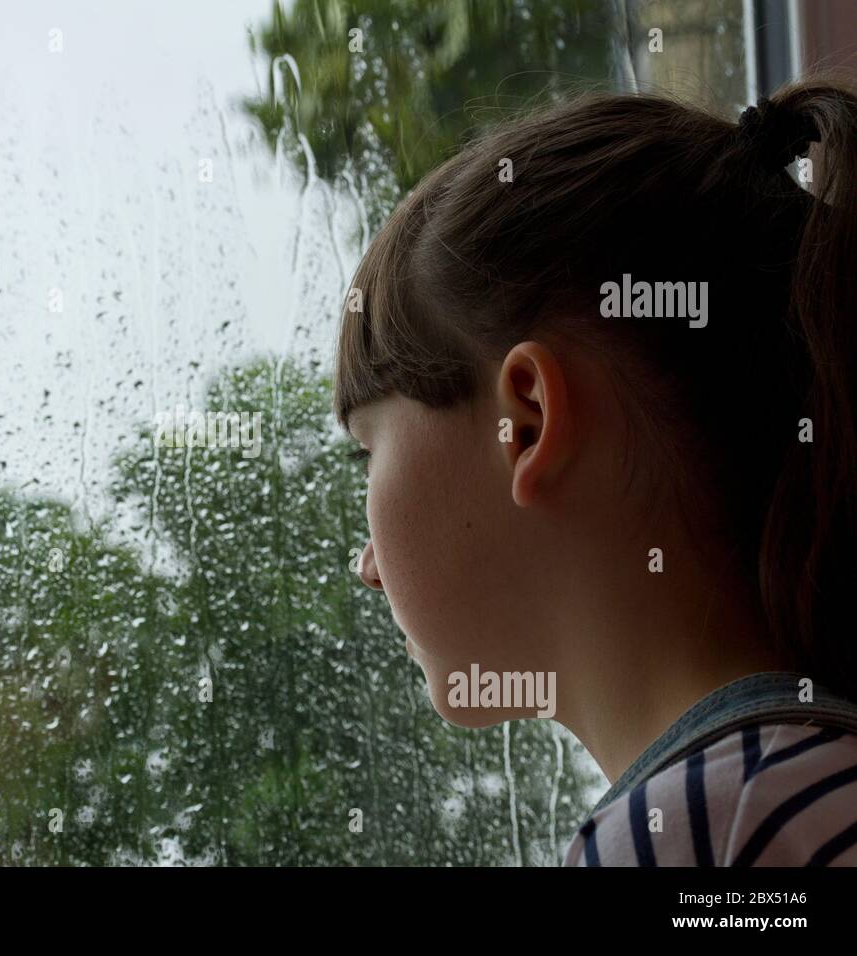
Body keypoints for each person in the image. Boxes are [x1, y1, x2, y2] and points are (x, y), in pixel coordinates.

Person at [335, 74, 857, 866]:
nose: (366, 566)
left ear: (528, 422)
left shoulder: (706, 837)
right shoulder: (799, 790)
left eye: (368, 451)